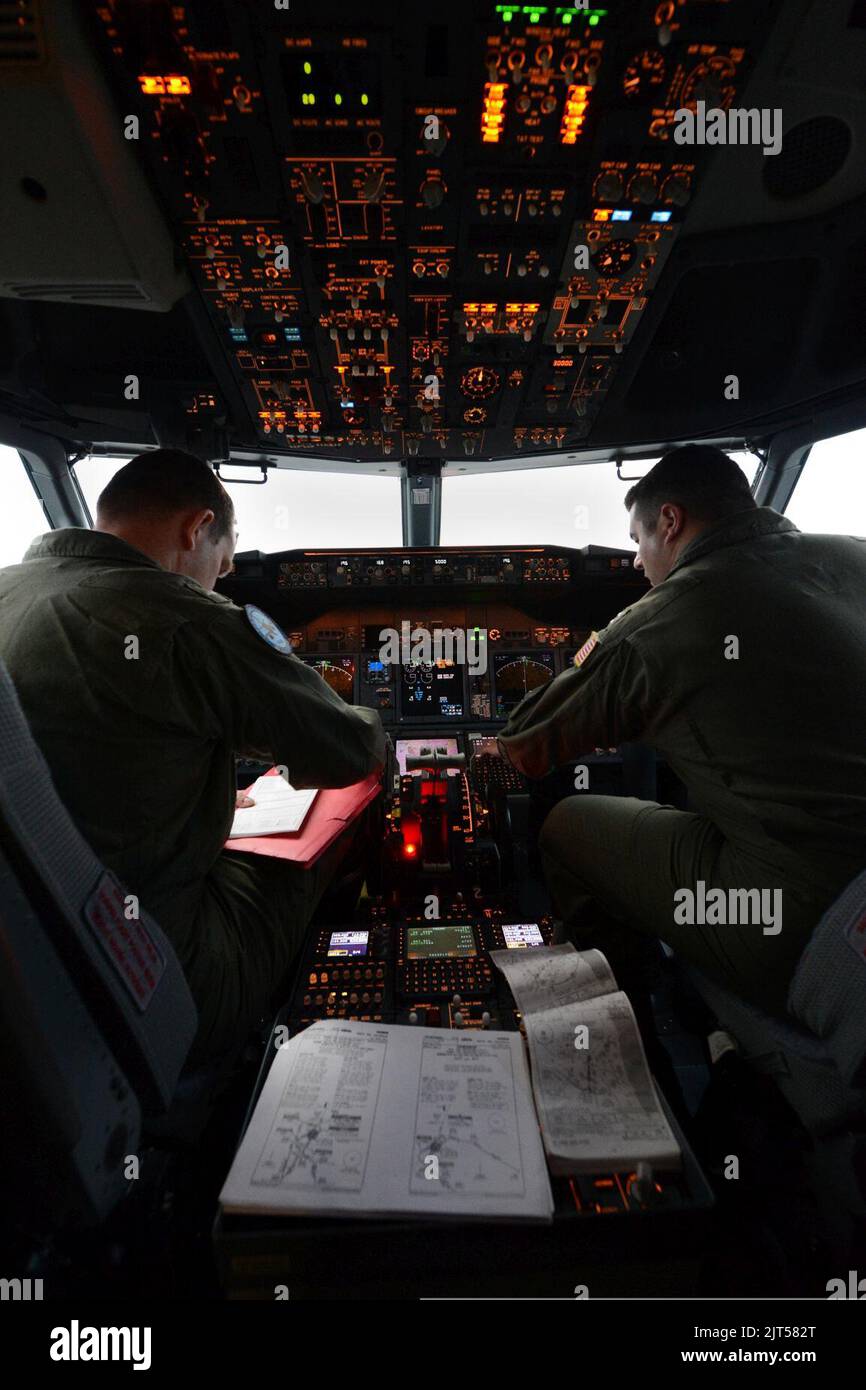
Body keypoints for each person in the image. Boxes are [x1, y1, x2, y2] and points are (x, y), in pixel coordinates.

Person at [0, 449, 386, 1061]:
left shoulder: (8, 590)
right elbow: (348, 749)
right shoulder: (184, 616)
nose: (219, 580)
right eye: (222, 565)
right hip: (158, 970)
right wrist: (376, 724)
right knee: (351, 799)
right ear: (197, 528)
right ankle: (337, 971)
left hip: (27, 966)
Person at [498, 444, 866, 1017]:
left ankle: (632, 1018)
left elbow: (524, 743)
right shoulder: (853, 554)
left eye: (638, 540)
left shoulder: (666, 616)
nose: (639, 563)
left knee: (564, 823)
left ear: (670, 522)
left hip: (786, 916)